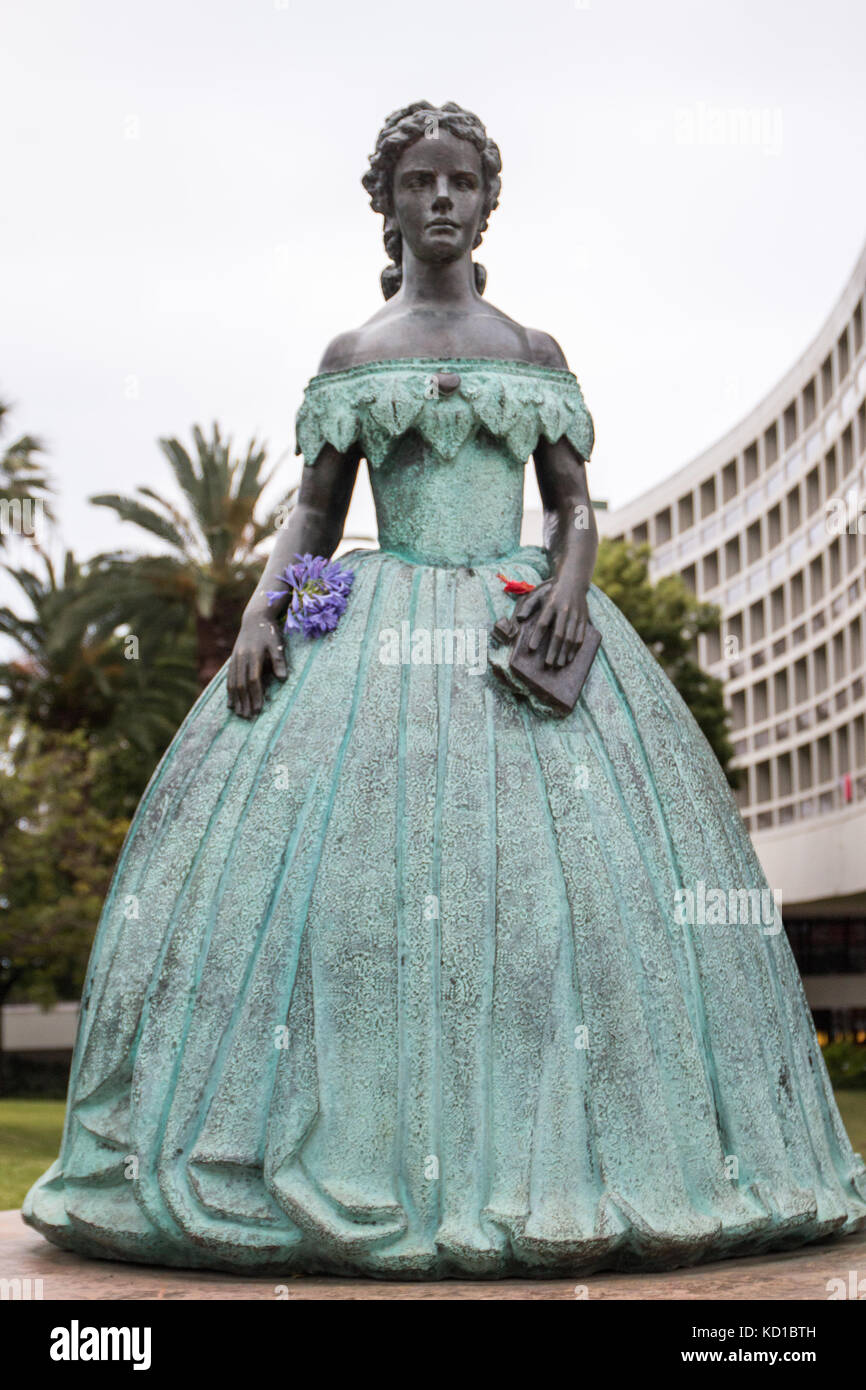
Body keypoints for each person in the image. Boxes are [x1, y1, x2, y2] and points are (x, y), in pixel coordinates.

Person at [25, 101, 866, 1278]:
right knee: (355, 901)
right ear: (387, 202)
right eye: (418, 181)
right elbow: (315, 513)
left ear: (486, 200)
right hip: (375, 628)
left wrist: (570, 585)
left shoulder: (530, 353)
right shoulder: (352, 358)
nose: (439, 200)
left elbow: (573, 504)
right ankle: (342, 1148)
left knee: (557, 909)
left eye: (460, 181)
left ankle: (565, 1158)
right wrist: (267, 609)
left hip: (520, 627)